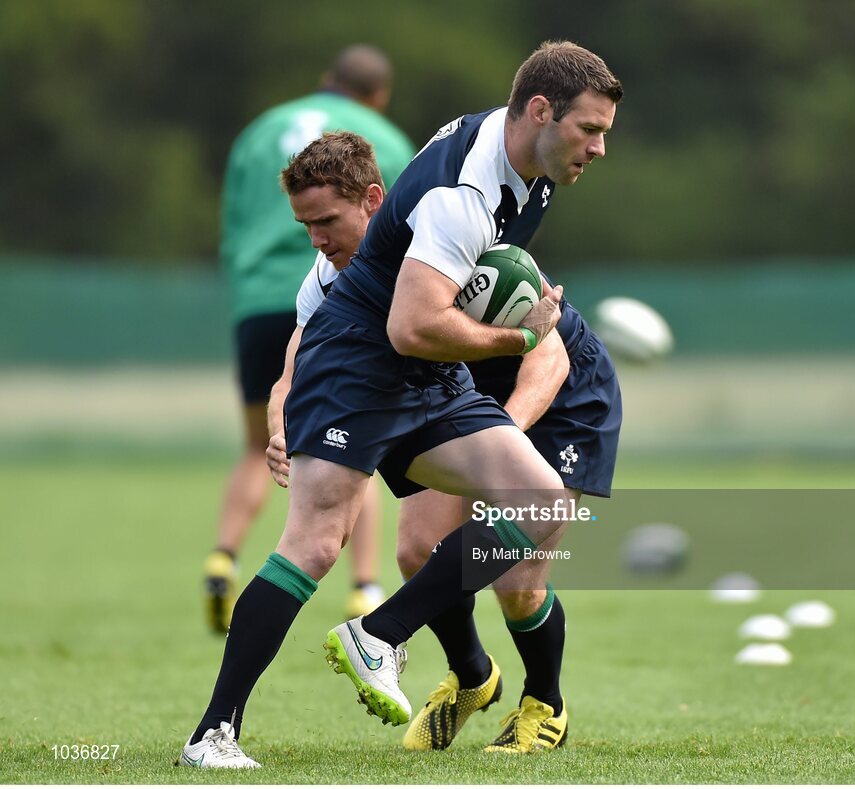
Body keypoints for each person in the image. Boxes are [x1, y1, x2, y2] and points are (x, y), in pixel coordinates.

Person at [178, 40, 622, 769]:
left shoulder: (528, 170)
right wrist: (518, 334)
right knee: (317, 542)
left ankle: (378, 633)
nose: (599, 147)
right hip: (363, 362)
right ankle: (213, 733)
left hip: (428, 375)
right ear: (540, 111)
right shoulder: (465, 199)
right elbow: (406, 324)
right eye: (589, 129)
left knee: (540, 501)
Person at [263, 139, 623, 752]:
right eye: (309, 227)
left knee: (516, 573)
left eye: (328, 223)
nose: (319, 241)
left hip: (561, 399)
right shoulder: (337, 278)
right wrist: (281, 429)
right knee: (416, 548)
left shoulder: (466, 241)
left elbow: (549, 360)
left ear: (377, 205)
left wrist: (499, 452)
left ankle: (545, 704)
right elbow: (294, 369)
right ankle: (473, 675)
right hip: (461, 398)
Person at [205, 44, 415, 633]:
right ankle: (364, 588)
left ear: (326, 81)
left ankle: (222, 556)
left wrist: (247, 280)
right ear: (379, 96)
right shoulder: (387, 141)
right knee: (358, 444)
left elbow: (233, 221)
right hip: (341, 298)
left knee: (258, 446)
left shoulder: (258, 132)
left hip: (254, 299)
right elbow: (402, 231)